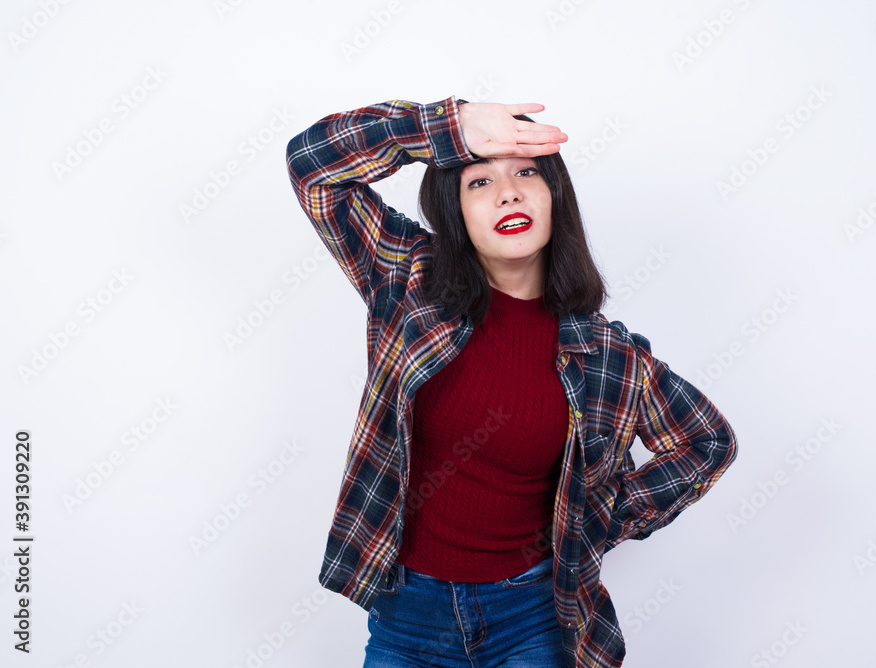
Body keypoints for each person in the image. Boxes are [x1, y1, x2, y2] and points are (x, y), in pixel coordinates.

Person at [285, 96, 738, 668]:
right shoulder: (407, 279)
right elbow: (312, 164)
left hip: (532, 617)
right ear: (456, 212)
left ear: (554, 199)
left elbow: (708, 443)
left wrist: (593, 519)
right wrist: (450, 127)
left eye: (527, 173)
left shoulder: (607, 355)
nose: (509, 192)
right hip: (408, 614)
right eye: (479, 181)